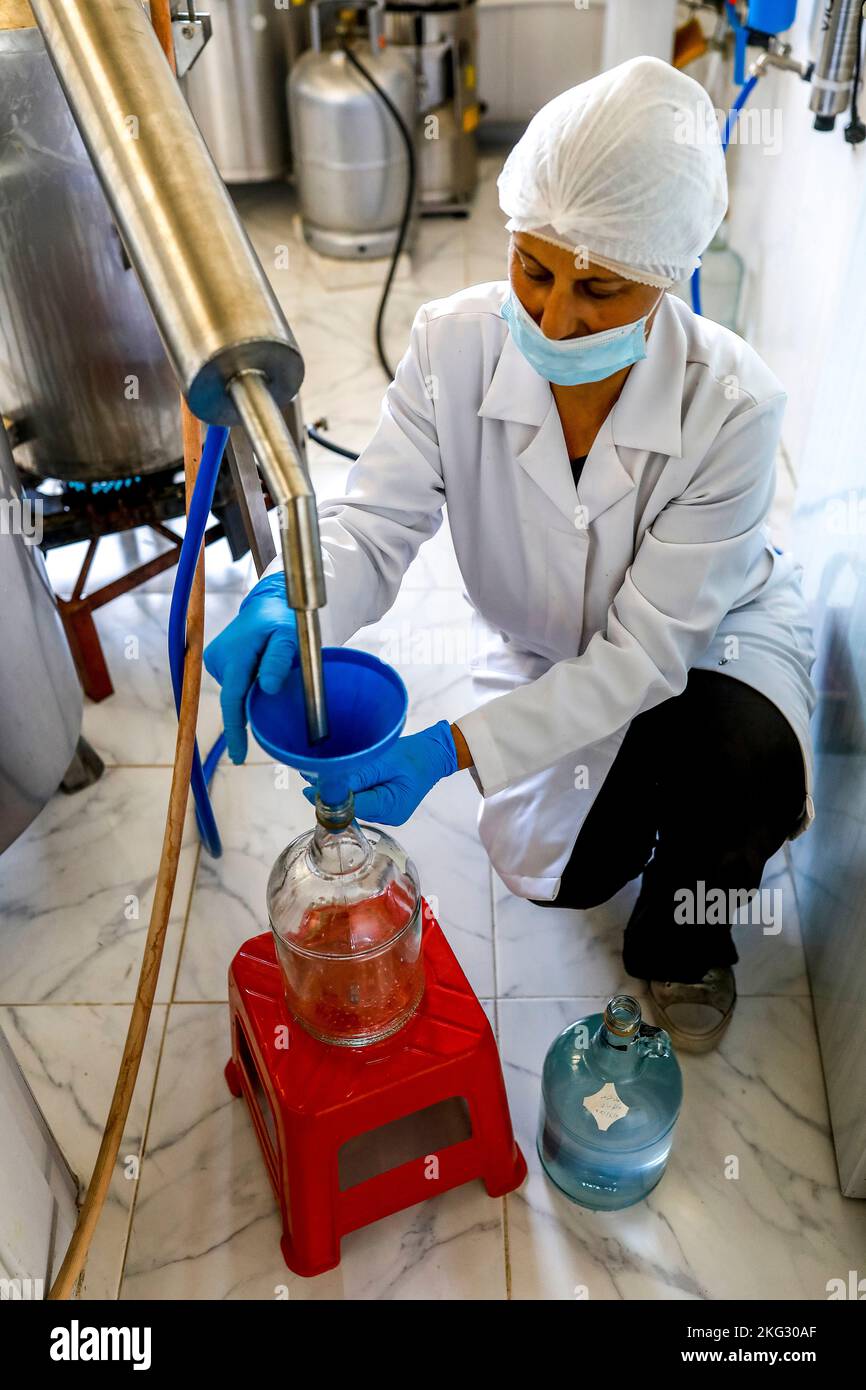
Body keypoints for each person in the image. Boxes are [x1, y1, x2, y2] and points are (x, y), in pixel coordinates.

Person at [205, 57, 816, 1052]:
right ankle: (656, 803)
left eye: (601, 289)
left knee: (731, 760)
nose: (555, 317)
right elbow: (373, 526)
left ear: (669, 276)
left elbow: (640, 658)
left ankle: (684, 941)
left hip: (711, 645)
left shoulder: (732, 406)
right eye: (533, 268)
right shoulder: (452, 346)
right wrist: (287, 597)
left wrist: (448, 749)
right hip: (556, 656)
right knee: (566, 878)